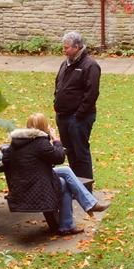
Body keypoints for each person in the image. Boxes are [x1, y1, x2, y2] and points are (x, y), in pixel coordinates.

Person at [0, 112, 110, 235]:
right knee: (64, 184)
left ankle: (88, 206)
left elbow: (6, 160)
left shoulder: (16, 142)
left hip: (24, 182)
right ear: (44, 126)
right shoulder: (40, 142)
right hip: (35, 186)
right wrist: (55, 139)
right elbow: (59, 157)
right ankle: (69, 223)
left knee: (66, 171)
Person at [54, 30, 100, 186]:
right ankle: (75, 186)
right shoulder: (65, 63)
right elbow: (58, 85)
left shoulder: (90, 65)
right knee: (70, 153)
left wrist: (79, 113)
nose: (64, 50)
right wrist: (57, 103)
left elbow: (92, 92)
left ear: (76, 47)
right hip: (63, 116)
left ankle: (85, 190)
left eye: (66, 47)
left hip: (78, 118)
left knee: (81, 153)